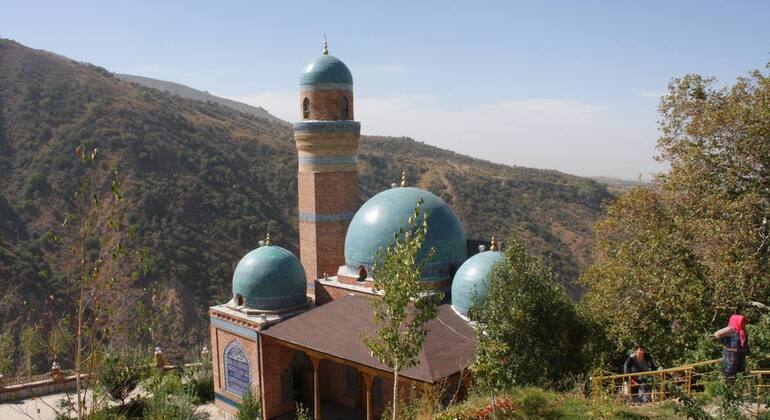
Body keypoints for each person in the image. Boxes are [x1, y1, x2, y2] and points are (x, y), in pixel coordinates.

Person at [713, 314, 750, 383]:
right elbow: (716, 334)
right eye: (743, 321)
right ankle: (729, 390)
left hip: (741, 356)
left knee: (741, 374)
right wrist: (725, 344)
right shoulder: (731, 329)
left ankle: (737, 391)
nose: (744, 323)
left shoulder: (743, 331)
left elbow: (745, 344)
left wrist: (749, 352)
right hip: (731, 356)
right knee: (730, 374)